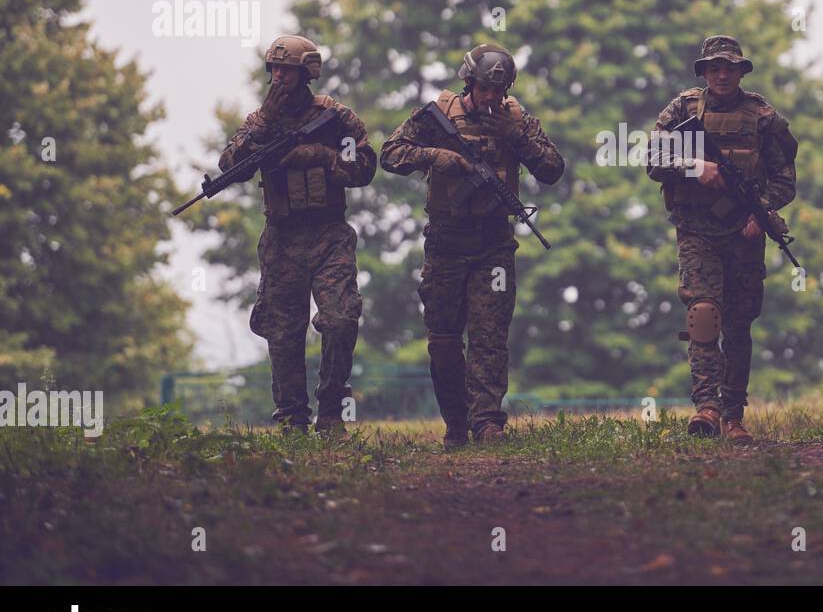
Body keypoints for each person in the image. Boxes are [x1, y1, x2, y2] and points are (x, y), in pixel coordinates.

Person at [380, 43, 564, 447]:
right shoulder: (439, 115)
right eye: (484, 89)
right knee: (443, 339)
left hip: (494, 243)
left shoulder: (515, 119)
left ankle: (488, 423)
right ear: (469, 83)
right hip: (446, 241)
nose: (492, 98)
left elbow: (552, 168)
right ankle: (457, 425)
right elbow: (389, 154)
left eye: (499, 91)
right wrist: (434, 157)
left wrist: (514, 136)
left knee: (489, 334)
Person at [218, 34, 376, 434]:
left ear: (307, 73)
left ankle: (331, 410)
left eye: (287, 70)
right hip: (282, 238)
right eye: (274, 69)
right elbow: (230, 165)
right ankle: (291, 417)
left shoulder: (336, 118)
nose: (279, 78)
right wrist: (264, 127)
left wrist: (323, 158)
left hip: (329, 234)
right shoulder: (259, 121)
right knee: (282, 331)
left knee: (341, 320)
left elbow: (366, 167)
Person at [647, 35, 798, 446]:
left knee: (738, 324)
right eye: (714, 67)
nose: (721, 74)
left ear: (741, 71)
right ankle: (706, 407)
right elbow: (652, 158)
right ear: (704, 72)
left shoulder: (762, 116)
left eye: (729, 67)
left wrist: (759, 210)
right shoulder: (684, 108)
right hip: (697, 231)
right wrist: (694, 167)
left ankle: (733, 413)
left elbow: (786, 178)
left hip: (743, 235)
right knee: (703, 314)